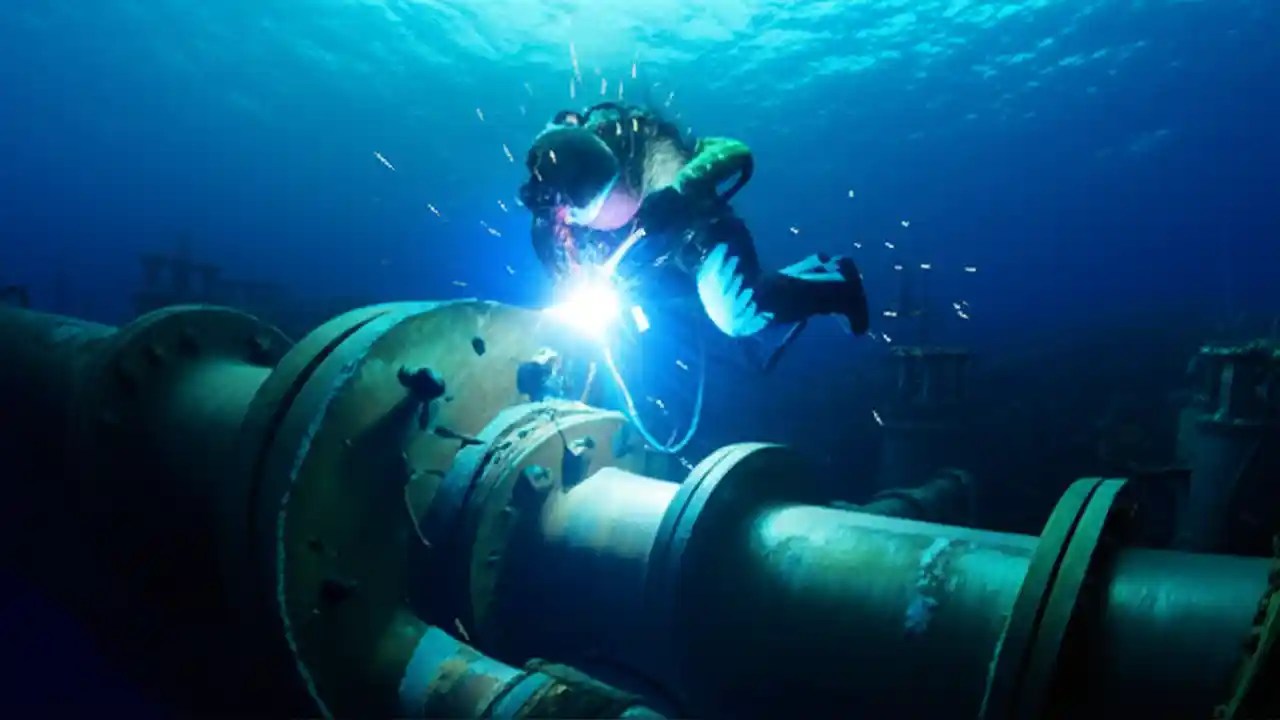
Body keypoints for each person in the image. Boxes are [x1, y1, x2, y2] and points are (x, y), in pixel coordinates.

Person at [517, 101, 869, 339]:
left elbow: (734, 152)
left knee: (734, 314)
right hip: (649, 264)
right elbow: (565, 277)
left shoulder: (649, 151)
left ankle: (839, 285)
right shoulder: (556, 215)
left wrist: (678, 192)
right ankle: (813, 270)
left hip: (697, 234)